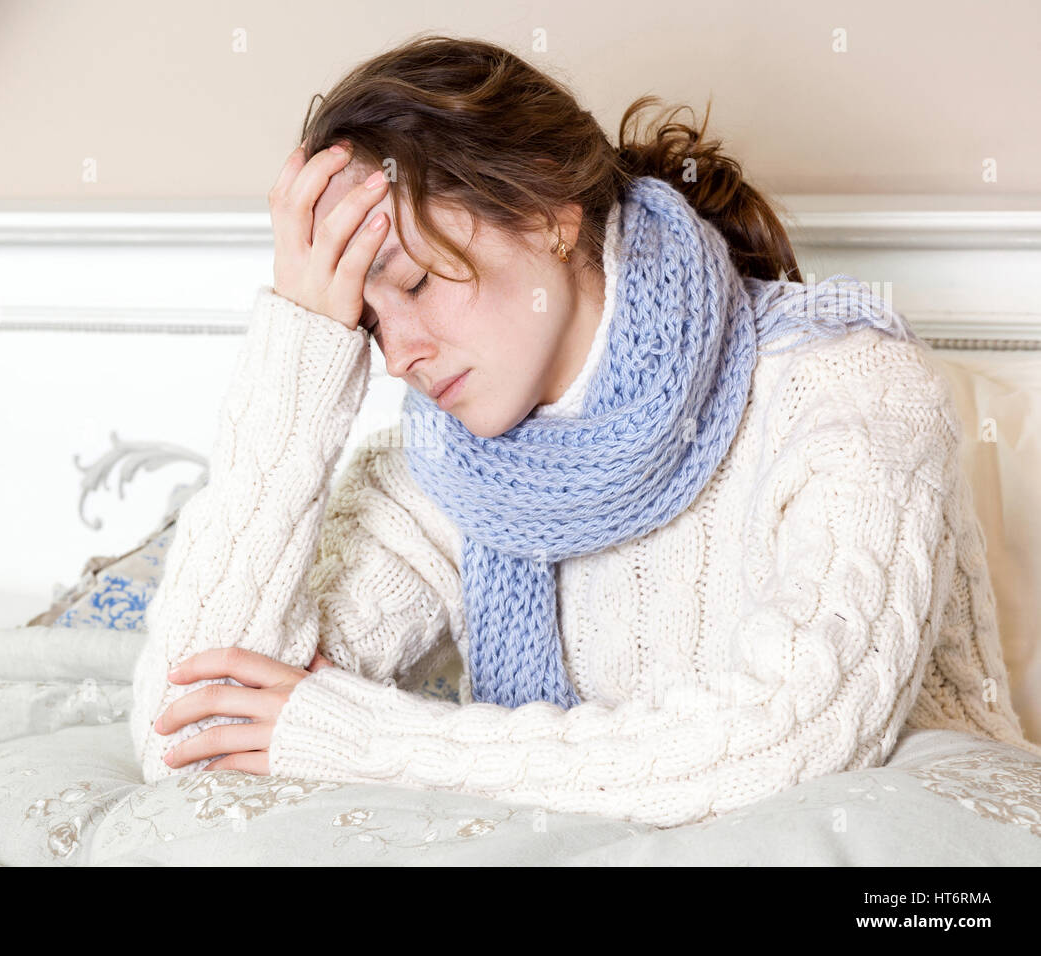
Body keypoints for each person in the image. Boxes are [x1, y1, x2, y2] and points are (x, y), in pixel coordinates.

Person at [129, 35, 1035, 828]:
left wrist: (364, 741)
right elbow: (193, 734)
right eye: (363, 324)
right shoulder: (435, 471)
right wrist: (300, 347)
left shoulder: (851, 386)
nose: (398, 355)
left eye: (413, 284)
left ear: (549, 212)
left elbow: (798, 737)